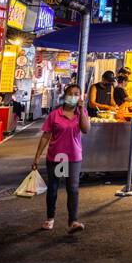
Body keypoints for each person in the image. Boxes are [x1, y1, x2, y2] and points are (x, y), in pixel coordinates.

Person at [31, 84, 90, 232]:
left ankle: (73, 221)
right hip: (58, 157)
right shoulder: (55, 115)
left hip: (74, 157)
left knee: (73, 188)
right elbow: (46, 136)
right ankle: (50, 218)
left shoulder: (81, 113)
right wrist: (37, 156)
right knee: (54, 188)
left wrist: (82, 110)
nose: (74, 96)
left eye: (77, 94)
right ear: (65, 96)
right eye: (71, 93)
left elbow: (86, 129)